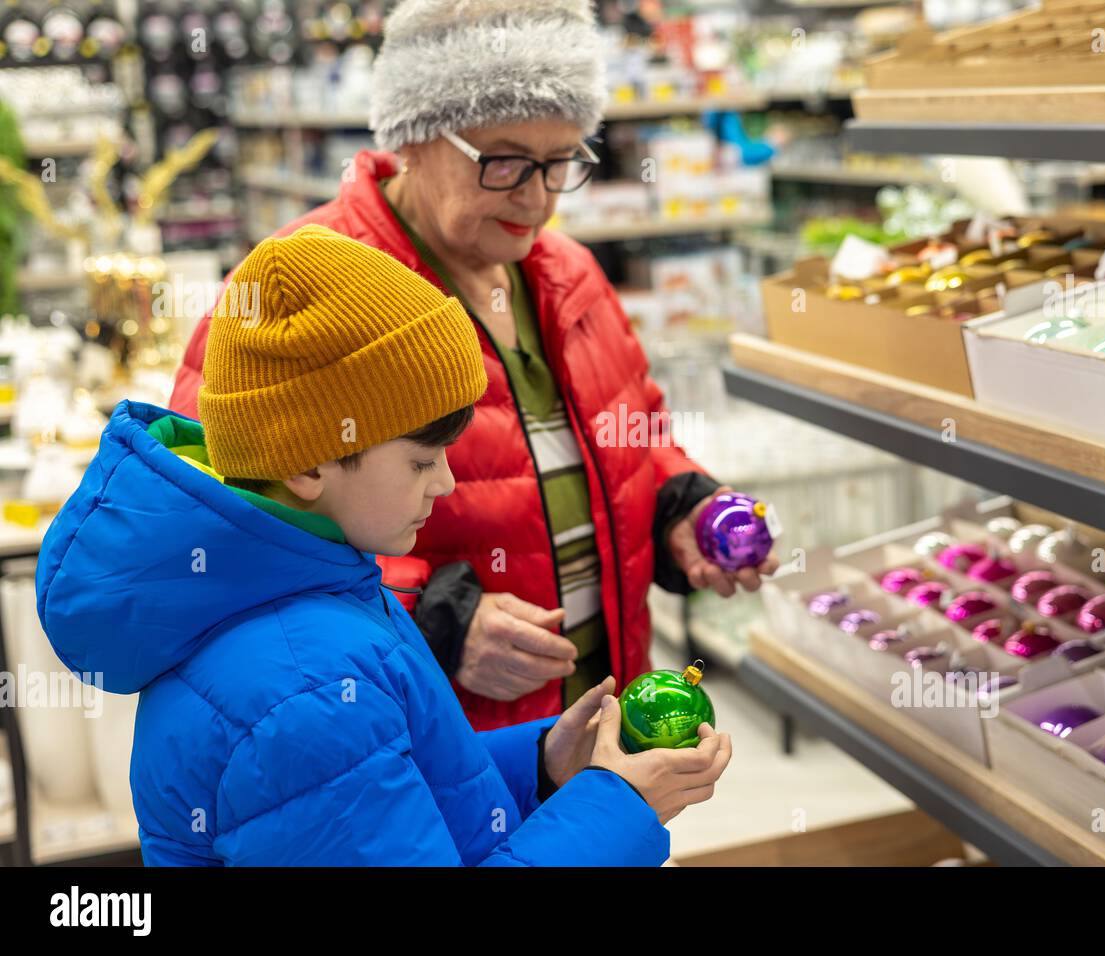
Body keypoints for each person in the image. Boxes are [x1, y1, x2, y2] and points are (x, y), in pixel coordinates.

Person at [168, 0, 779, 730]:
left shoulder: (569, 273)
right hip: (424, 747)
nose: (539, 196)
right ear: (416, 136)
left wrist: (677, 504)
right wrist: (432, 621)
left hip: (598, 725)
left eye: (562, 161)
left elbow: (634, 432)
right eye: (505, 160)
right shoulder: (297, 289)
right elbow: (215, 534)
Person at [36, 226, 730, 865]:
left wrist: (548, 762)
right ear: (309, 465)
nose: (448, 483)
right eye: (423, 462)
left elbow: (408, 781)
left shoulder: (309, 580)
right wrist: (618, 807)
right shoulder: (300, 692)